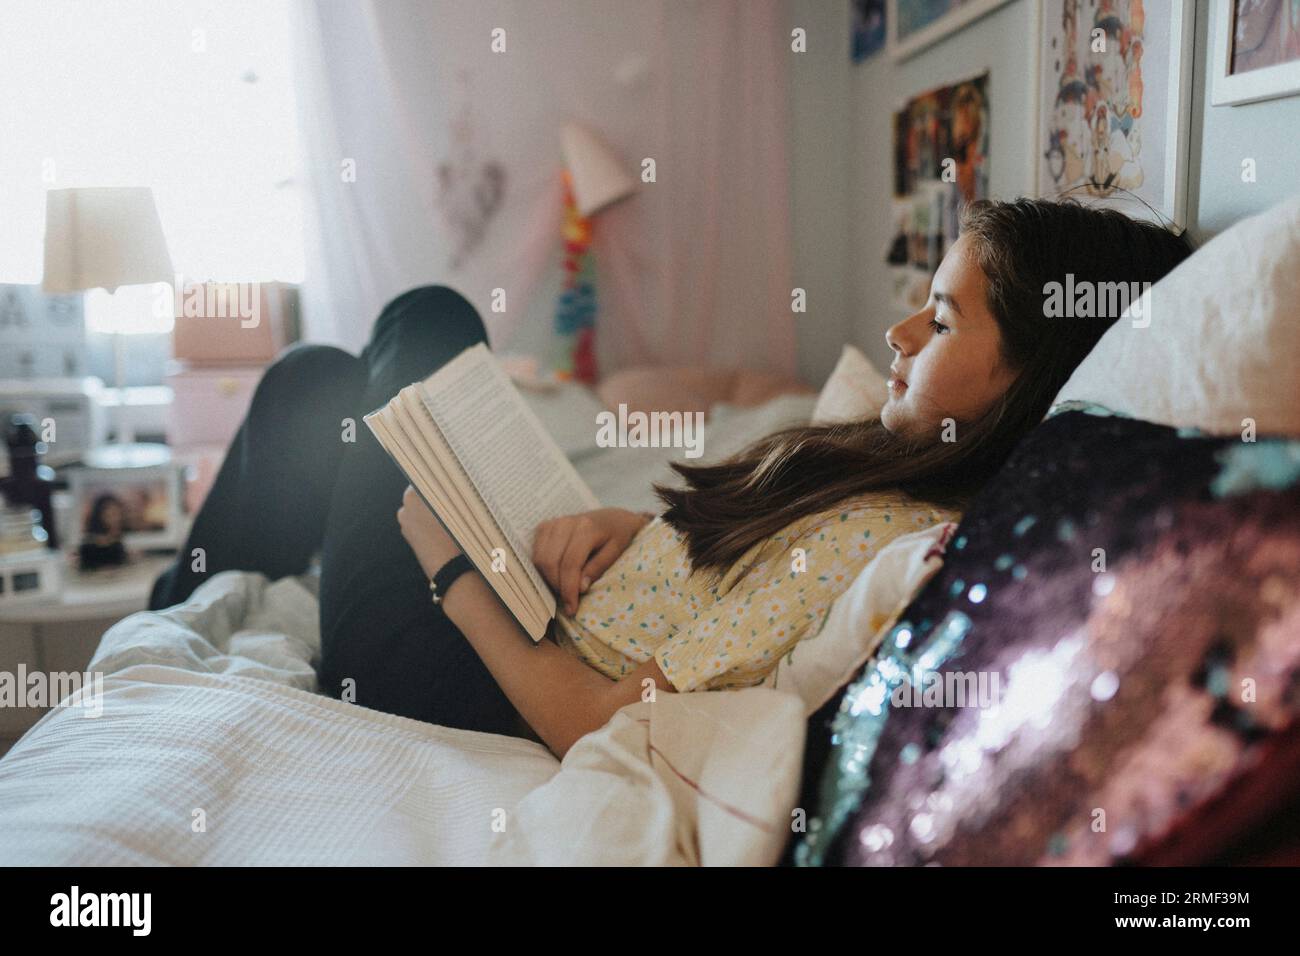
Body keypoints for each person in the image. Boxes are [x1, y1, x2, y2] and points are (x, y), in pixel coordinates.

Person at [151, 197, 1193, 759]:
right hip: (548, 595)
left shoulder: (885, 537)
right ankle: (194, 580)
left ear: (1031, 375)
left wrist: (449, 568)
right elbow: (725, 583)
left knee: (375, 344)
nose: (899, 328)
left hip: (452, 670)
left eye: (946, 316)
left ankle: (182, 591)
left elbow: (605, 719)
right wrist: (635, 530)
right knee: (337, 373)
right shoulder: (889, 466)